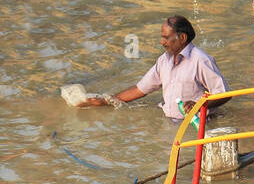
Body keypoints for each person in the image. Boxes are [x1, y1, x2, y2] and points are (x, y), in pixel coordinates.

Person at [78, 16, 228, 118]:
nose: (162, 42)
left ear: (182, 38)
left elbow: (224, 94)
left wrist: (199, 105)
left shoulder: (201, 60)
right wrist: (107, 101)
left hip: (194, 127)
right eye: (161, 37)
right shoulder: (164, 61)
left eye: (166, 38)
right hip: (169, 124)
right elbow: (140, 89)